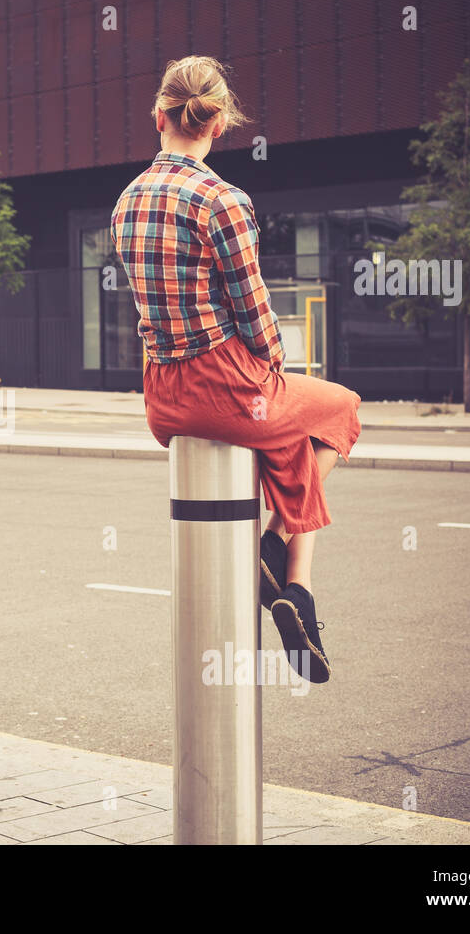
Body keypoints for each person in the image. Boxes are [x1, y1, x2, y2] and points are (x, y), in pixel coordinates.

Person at [110, 56, 362, 683]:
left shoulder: (126, 202)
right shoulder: (222, 199)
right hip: (225, 385)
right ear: (218, 123)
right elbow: (254, 313)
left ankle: (295, 588)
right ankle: (279, 553)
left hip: (163, 394)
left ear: (159, 116)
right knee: (337, 408)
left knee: (283, 437)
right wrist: (276, 369)